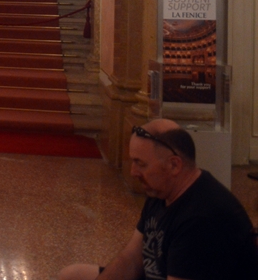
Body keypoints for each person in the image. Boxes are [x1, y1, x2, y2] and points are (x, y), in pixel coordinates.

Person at [58, 118, 258, 280]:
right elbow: (131, 259)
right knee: (71, 275)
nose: (133, 172)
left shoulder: (203, 218)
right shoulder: (162, 190)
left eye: (141, 164)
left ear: (174, 165)